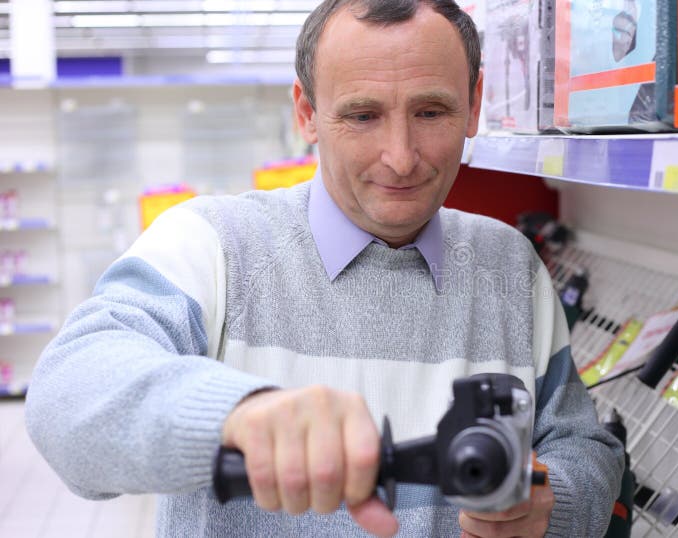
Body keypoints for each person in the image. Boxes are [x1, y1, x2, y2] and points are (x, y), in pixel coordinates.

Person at [25, 1, 624, 536]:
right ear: (306, 112)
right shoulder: (210, 243)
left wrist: (556, 503)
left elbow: (582, 446)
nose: (401, 156)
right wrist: (240, 413)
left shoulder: (511, 268)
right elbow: (67, 401)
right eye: (362, 115)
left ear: (473, 106)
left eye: (432, 112)